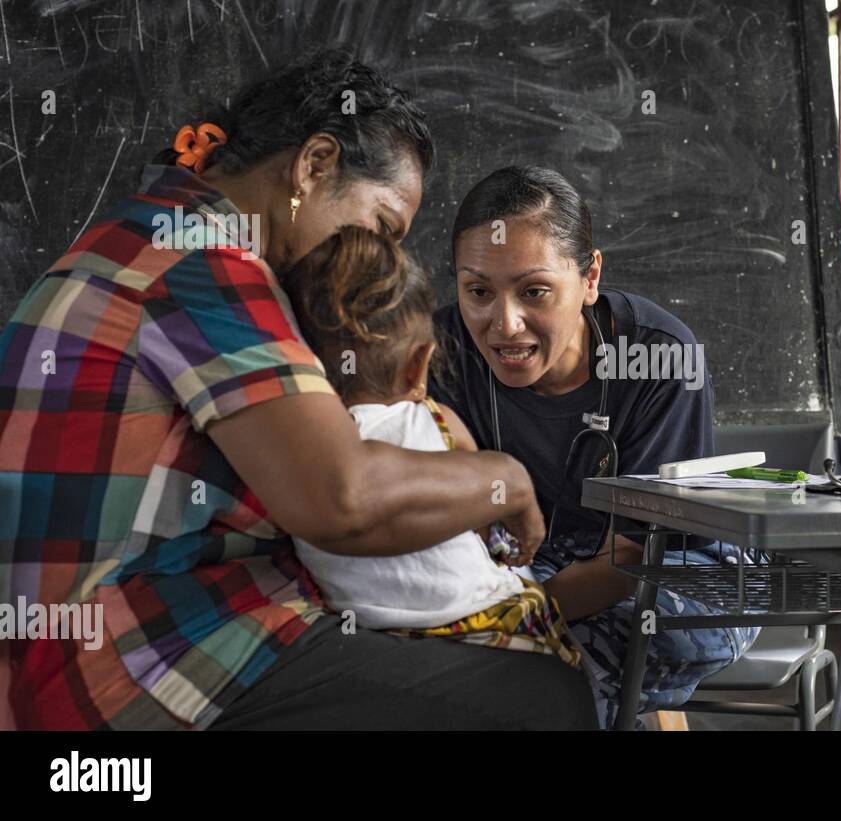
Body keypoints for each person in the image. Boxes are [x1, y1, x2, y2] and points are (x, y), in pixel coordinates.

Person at [0, 48, 595, 730]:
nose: (376, 260)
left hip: (82, 655)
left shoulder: (147, 234)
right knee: (540, 697)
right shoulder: (206, 263)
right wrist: (507, 481)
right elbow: (341, 499)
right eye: (381, 227)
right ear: (312, 166)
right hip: (137, 667)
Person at [431, 165, 760, 728]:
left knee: (557, 664)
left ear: (589, 279)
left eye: (534, 291)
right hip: (527, 574)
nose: (504, 325)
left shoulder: (660, 357)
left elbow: (629, 556)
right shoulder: (440, 353)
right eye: (478, 292)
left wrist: (504, 621)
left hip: (681, 569)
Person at [283, 226, 581, 670]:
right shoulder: (438, 421)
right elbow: (485, 517)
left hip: (369, 638)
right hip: (489, 631)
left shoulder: (292, 443)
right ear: (420, 364)